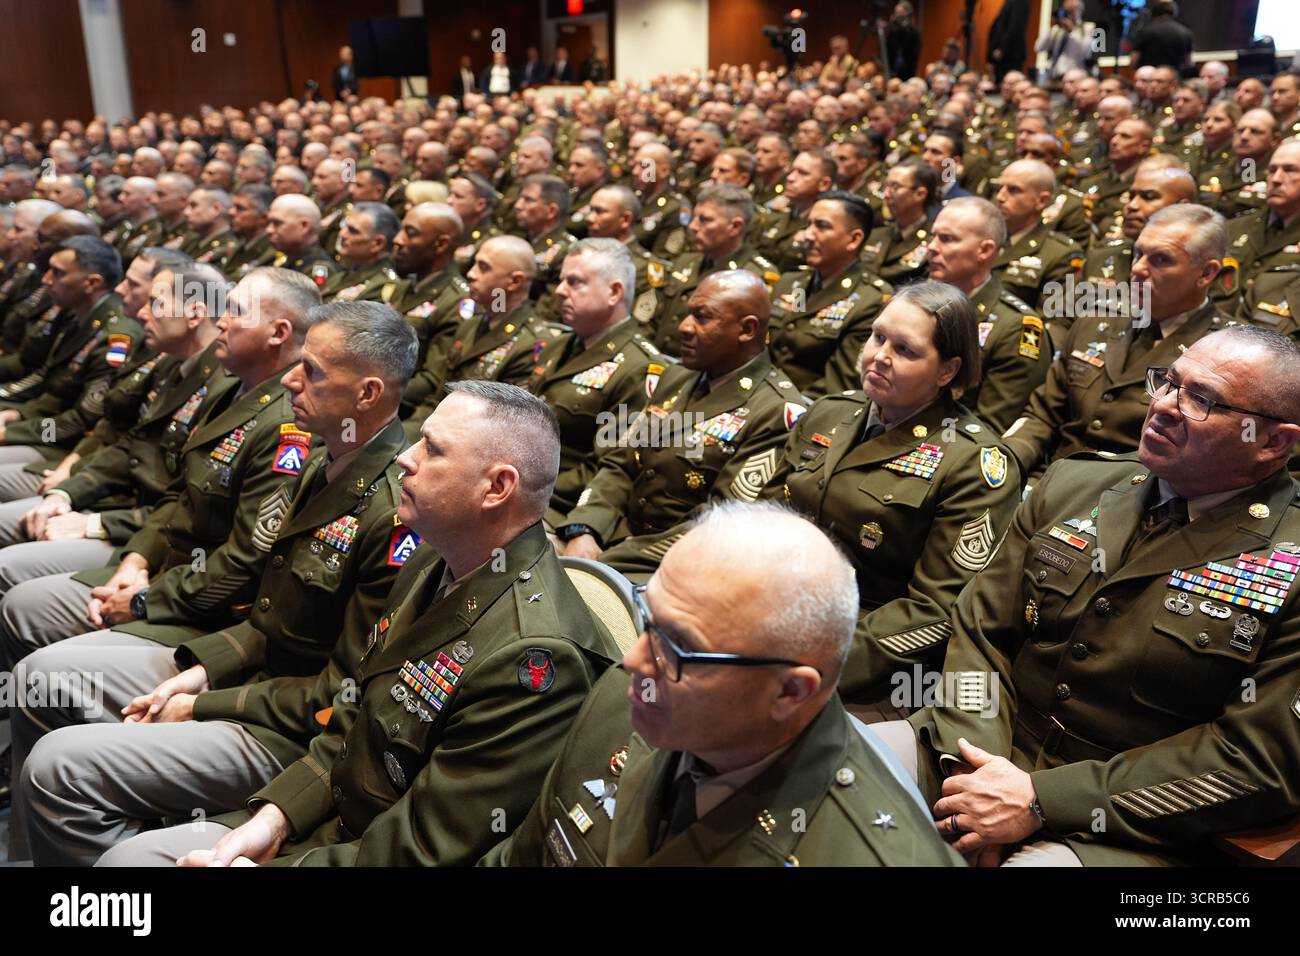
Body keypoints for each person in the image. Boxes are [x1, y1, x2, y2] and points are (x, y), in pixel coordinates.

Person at [113, 382, 618, 867]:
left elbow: (424, 851)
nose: (406, 457)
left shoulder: (533, 657)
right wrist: (276, 817)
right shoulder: (434, 559)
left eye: (433, 449)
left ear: (497, 487)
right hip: (325, 821)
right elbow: (352, 717)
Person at [879, 323, 1300, 866]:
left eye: (1202, 399)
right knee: (828, 771)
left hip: (1122, 821)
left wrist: (1040, 802)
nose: (1165, 406)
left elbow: (1256, 761)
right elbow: (981, 629)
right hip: (982, 743)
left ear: (1274, 442)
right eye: (1168, 383)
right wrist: (971, 764)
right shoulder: (1073, 484)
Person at [19, 302, 418, 866]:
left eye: (313, 371)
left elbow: (344, 693)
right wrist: (199, 677)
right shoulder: (320, 461)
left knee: (60, 766)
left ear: (368, 394)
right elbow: (264, 617)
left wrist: (206, 702)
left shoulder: (396, 515)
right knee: (47, 687)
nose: (290, 379)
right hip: (248, 676)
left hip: (299, 736)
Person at [483, 501, 962, 867]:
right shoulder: (626, 696)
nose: (633, 659)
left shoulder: (869, 853)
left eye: (678, 647)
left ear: (789, 691)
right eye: (648, 618)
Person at [761, 281, 1022, 702]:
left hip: (866, 656)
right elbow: (759, 518)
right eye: (878, 337)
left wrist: (821, 665)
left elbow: (937, 612)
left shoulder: (974, 463)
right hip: (769, 608)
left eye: (905, 350)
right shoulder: (832, 412)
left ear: (947, 371)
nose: (879, 357)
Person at [557, 270, 805, 576]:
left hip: (681, 566)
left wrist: (613, 559)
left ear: (747, 329)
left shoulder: (775, 412)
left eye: (702, 317)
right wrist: (587, 528)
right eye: (688, 314)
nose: (684, 327)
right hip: (614, 537)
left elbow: (721, 524)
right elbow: (621, 463)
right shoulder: (676, 377)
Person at [1003, 204, 1228, 479]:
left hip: (1135, 499)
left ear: (1206, 273)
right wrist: (1004, 466)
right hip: (1048, 480)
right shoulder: (1096, 320)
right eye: (1138, 253)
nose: (1137, 269)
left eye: (1160, 260)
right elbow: (1043, 416)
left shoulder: (1223, 354)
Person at [526, 238, 662, 527]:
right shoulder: (557, 345)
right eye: (561, 280)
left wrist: (524, 488)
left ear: (614, 292)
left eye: (575, 282)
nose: (560, 291)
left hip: (557, 508)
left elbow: (608, 467)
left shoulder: (640, 368)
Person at [924, 196, 1050, 433]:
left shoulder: (1016, 327)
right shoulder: (916, 303)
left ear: (985, 250)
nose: (931, 246)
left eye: (946, 239)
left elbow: (987, 428)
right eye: (933, 236)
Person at [767, 191, 891, 400]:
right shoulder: (793, 283)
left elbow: (839, 385)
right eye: (809, 224)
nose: (808, 235)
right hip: (760, 398)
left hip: (807, 410)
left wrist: (779, 406)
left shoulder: (872, 300)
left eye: (822, 226)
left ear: (853, 240)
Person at [1129, 0, 1194, 71]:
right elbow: (1189, 63)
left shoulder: (1144, 31)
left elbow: (1134, 61)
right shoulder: (1185, 32)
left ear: (1154, 12)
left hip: (1151, 77)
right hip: (1176, 78)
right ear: (1174, 12)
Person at [988, 0, 1031, 83]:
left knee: (1009, 85)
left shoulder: (1020, 2)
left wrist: (1002, 49)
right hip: (1002, 55)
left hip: (1010, 54)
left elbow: (1015, 28)